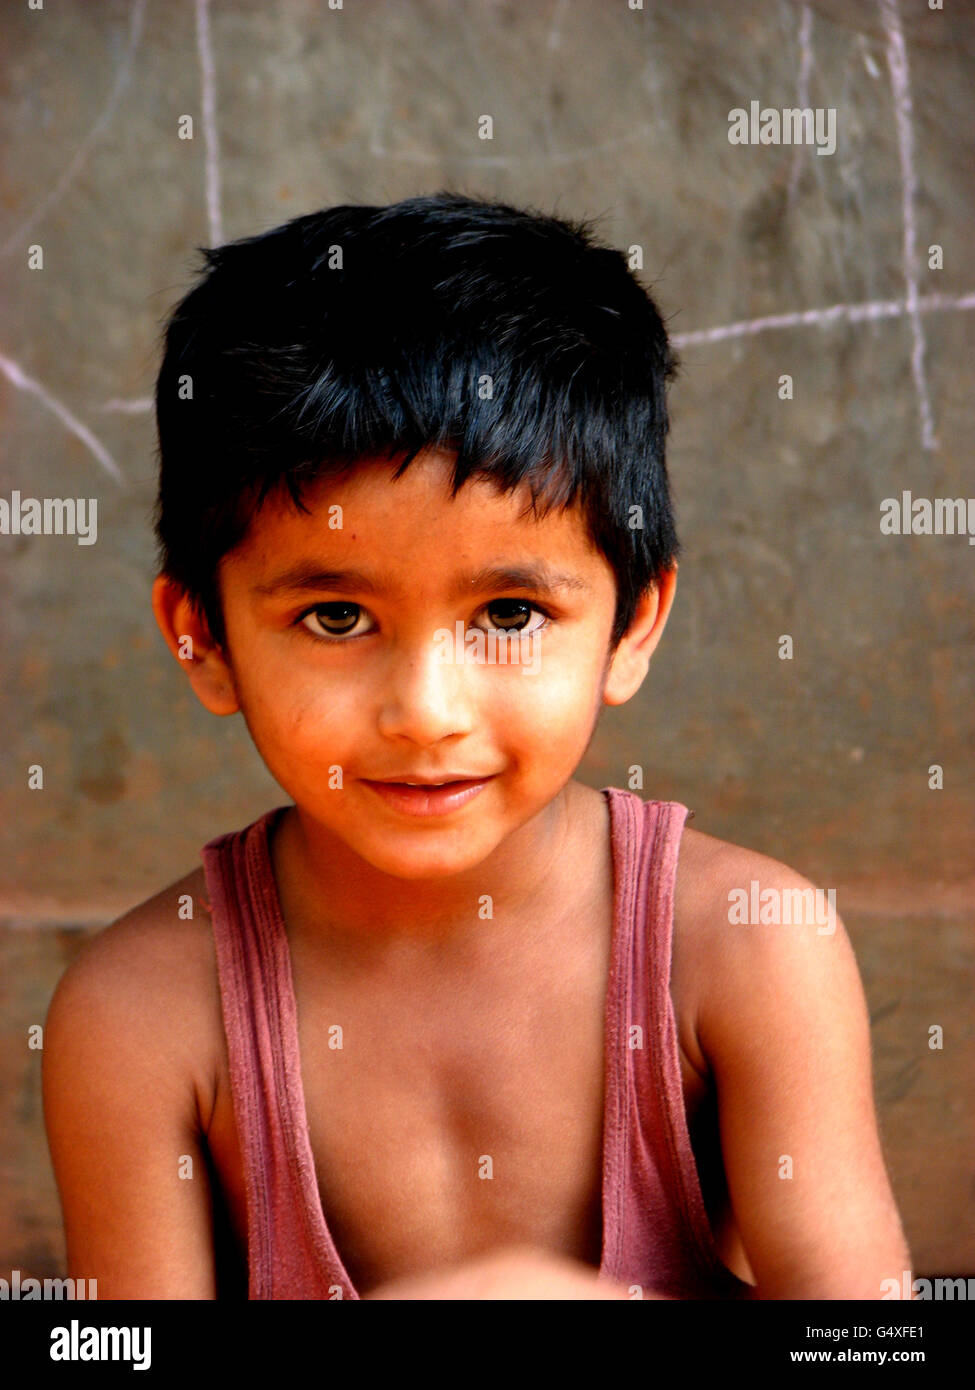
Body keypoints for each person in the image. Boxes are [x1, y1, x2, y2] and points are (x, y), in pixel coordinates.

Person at [42, 192, 912, 1300]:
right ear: (202, 636)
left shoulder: (750, 952)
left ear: (632, 623)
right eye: (337, 618)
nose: (427, 711)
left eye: (509, 616)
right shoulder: (142, 1016)